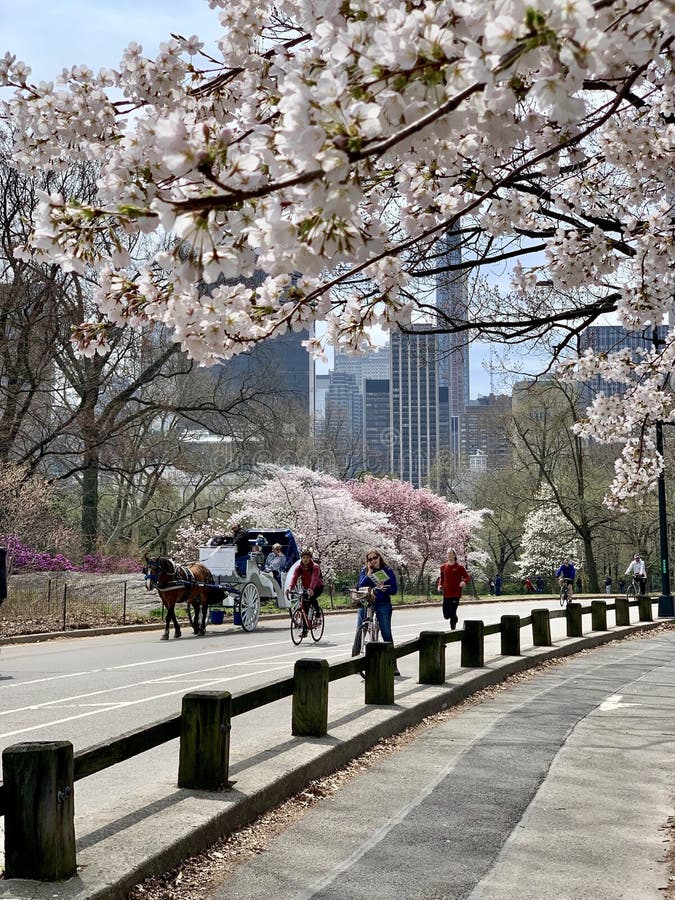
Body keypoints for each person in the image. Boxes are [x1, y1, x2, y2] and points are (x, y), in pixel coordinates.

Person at [356, 548, 399, 675]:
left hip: (382, 602)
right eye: (370, 559)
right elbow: (360, 587)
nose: (373, 561)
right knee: (360, 627)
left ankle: (393, 664)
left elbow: (394, 590)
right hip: (367, 601)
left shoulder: (387, 570)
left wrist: (383, 587)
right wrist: (368, 575)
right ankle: (355, 659)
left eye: (375, 558)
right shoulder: (365, 571)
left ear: (380, 557)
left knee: (386, 633)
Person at [286, 548, 324, 635]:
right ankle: (305, 630)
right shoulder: (299, 567)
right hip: (306, 587)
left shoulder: (315, 567)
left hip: (317, 586)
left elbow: (314, 579)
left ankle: (318, 613)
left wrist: (311, 589)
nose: (305, 559)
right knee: (304, 607)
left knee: (312, 599)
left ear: (310, 558)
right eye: (303, 558)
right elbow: (294, 578)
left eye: (307, 557)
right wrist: (290, 588)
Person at [436, 547, 470, 631]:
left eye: (450, 553)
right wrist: (440, 585)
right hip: (446, 593)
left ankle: (453, 630)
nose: (448, 555)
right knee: (446, 615)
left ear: (454, 555)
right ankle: (455, 618)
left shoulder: (459, 567)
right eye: (447, 553)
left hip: (455, 594)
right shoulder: (443, 567)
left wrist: (464, 582)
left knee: (452, 612)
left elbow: (467, 577)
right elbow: (442, 578)